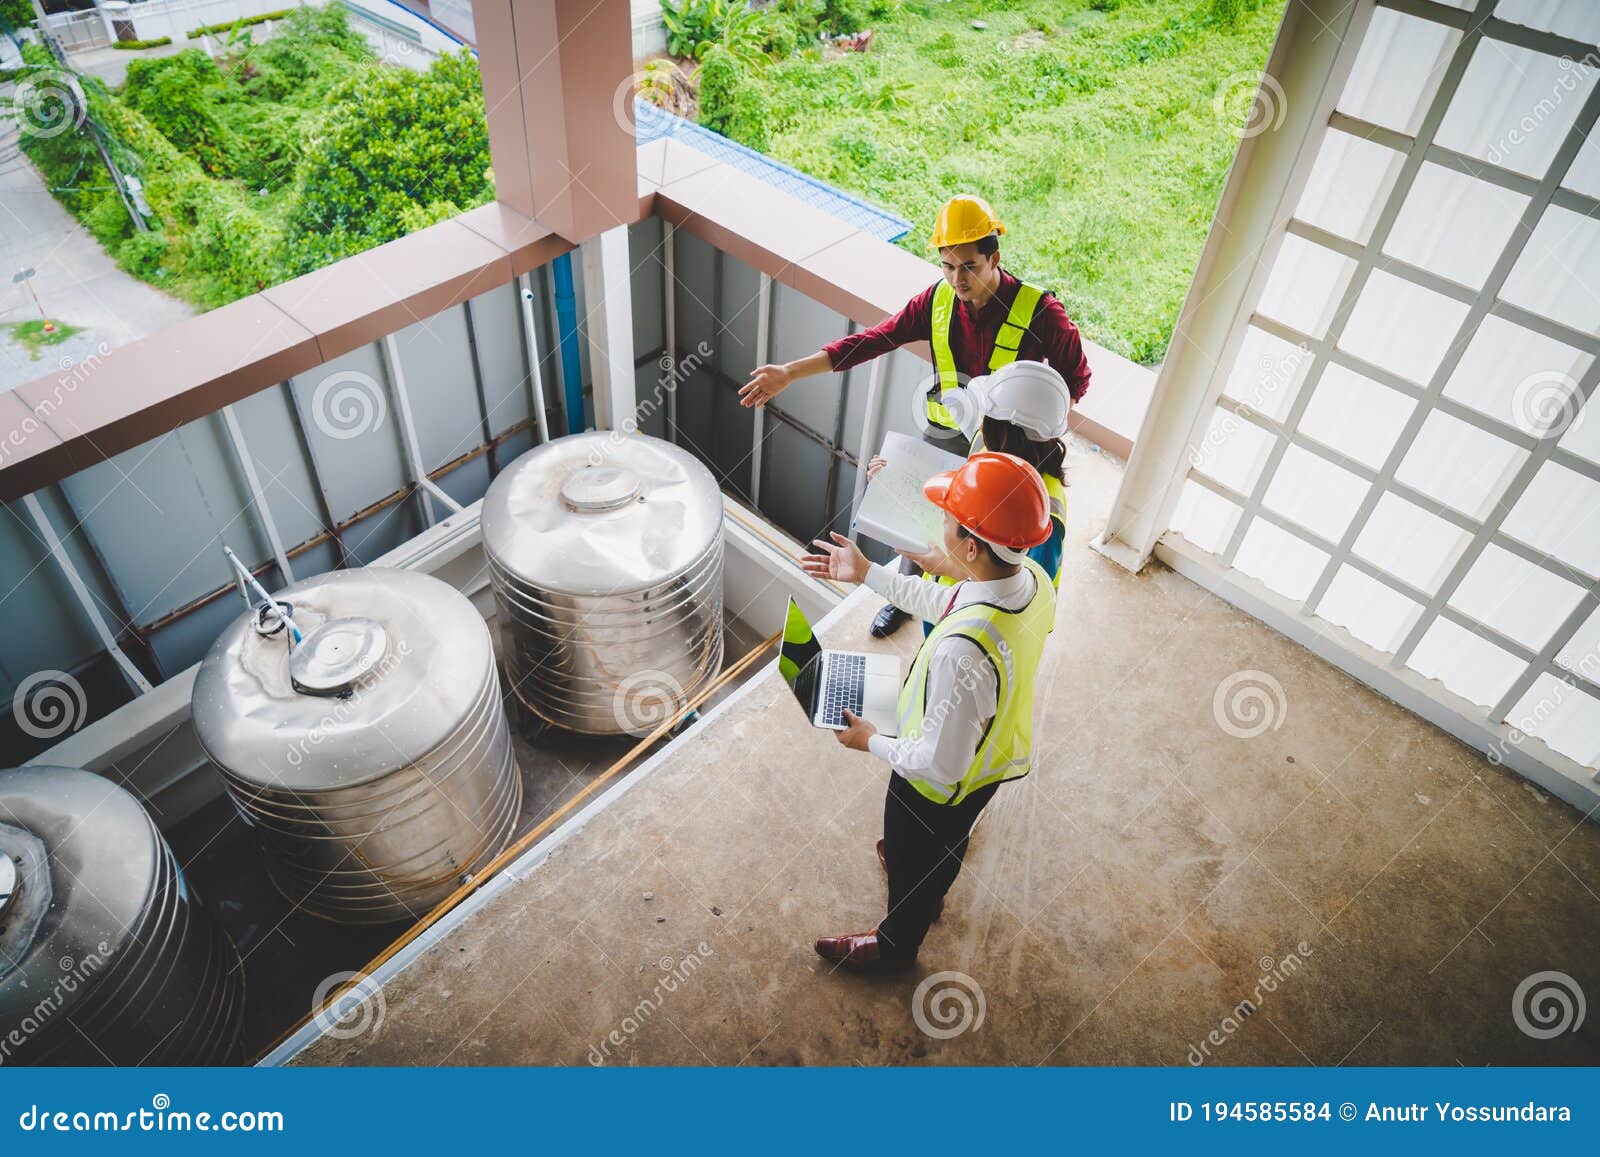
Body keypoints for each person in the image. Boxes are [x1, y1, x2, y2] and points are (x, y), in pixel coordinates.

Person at [740, 193, 1092, 639]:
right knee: (924, 513)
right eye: (947, 265)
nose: (957, 279)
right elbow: (872, 340)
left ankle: (964, 601)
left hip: (1002, 443)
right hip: (949, 432)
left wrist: (1033, 434)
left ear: (994, 258)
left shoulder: (1041, 314)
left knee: (988, 535)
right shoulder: (937, 302)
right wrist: (790, 372)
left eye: (969, 266)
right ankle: (905, 596)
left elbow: (1074, 383)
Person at [798, 451, 1057, 973]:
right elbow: (949, 601)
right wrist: (869, 573)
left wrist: (869, 739)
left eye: (948, 518)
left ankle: (895, 946)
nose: (939, 523)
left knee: (914, 840)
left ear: (971, 544)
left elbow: (941, 766)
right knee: (947, 844)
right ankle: (927, 887)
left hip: (937, 783)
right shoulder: (1028, 579)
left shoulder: (964, 651)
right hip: (990, 760)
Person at [876, 359, 1072, 608]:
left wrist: (948, 566)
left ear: (1004, 431)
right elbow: (961, 500)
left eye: (986, 416)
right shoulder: (987, 445)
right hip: (948, 593)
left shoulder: (1047, 512)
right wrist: (895, 480)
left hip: (981, 614)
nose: (979, 423)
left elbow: (1024, 594)